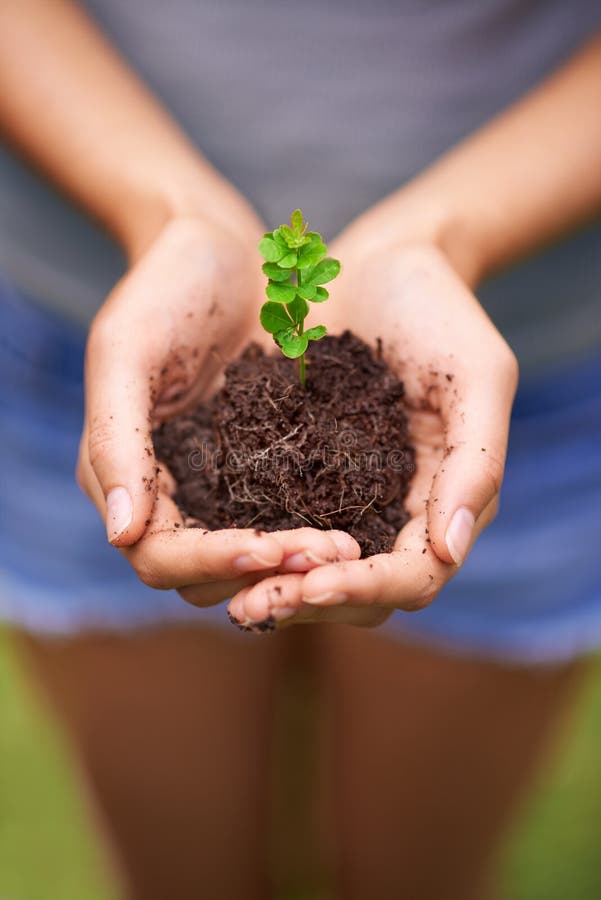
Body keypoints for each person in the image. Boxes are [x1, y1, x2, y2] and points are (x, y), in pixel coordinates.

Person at [1, 1, 600, 897]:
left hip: (526, 362)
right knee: (178, 872)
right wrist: (166, 212)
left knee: (417, 874)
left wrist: (443, 232)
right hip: (100, 339)